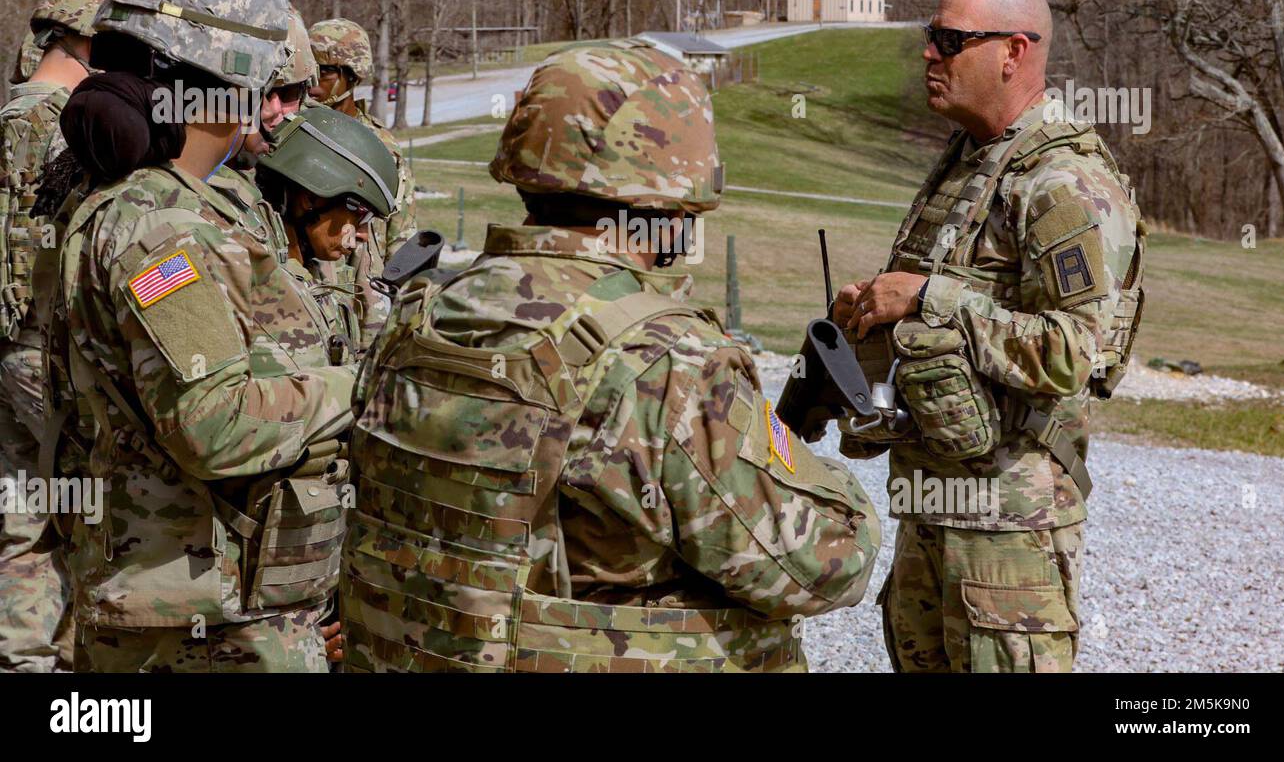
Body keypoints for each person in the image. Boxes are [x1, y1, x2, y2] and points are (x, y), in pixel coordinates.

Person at [340, 40, 881, 673]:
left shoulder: (423, 311)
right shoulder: (669, 360)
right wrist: (829, 484)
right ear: (675, 198)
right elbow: (824, 568)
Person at [48, 0, 356, 672]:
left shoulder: (175, 200)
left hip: (193, 604)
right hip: (204, 624)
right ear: (235, 74)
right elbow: (213, 424)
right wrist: (362, 390)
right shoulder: (158, 231)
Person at [833, 0, 1145, 672]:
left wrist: (927, 299)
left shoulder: (1062, 184)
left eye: (949, 39)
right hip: (933, 507)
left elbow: (1076, 353)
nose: (928, 54)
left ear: (1013, 52)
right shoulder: (968, 166)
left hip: (1009, 535)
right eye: (929, 37)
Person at [0, 0, 110, 672]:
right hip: (45, 350)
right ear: (82, 39)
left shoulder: (14, 110)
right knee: (96, 511)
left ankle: (23, 661)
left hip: (13, 346)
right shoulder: (59, 119)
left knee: (24, 519)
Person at [256, 103, 401, 366]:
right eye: (361, 215)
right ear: (311, 197)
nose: (363, 235)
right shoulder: (259, 274)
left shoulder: (313, 269)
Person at [307, 18, 416, 346]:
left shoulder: (381, 147)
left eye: (323, 71)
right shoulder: (298, 136)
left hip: (369, 307)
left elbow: (402, 236)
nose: (312, 83)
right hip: (312, 298)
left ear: (350, 76)